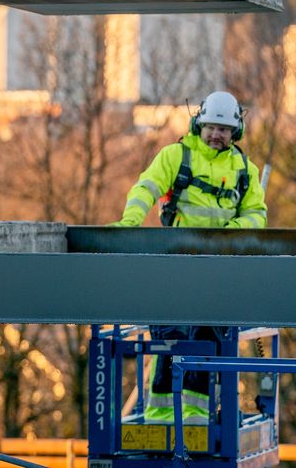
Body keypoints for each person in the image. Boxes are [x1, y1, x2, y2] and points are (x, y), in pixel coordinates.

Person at [112, 90, 268, 424]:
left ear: (235, 132)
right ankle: (161, 417)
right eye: (211, 127)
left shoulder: (244, 170)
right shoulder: (176, 157)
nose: (216, 135)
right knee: (171, 341)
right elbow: (146, 188)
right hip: (176, 267)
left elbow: (257, 214)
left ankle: (197, 417)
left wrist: (233, 230)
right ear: (199, 124)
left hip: (218, 271)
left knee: (209, 342)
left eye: (223, 129)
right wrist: (129, 225)